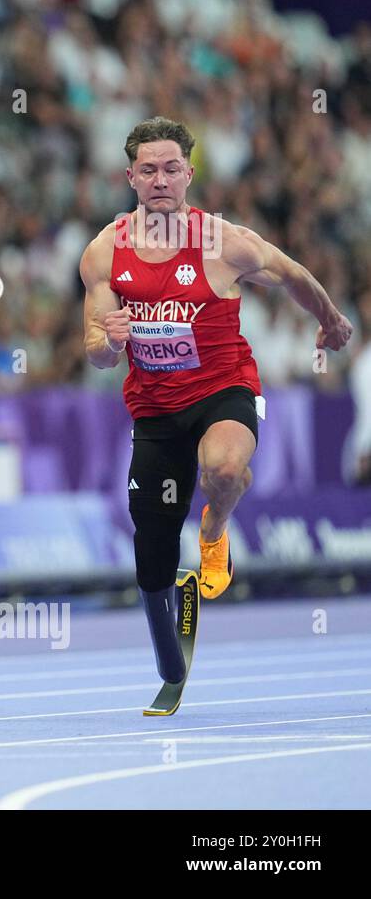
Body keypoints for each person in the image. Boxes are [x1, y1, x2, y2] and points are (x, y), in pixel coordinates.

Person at [79, 116, 352, 700]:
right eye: (148, 169)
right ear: (130, 176)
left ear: (189, 174)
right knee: (151, 557)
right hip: (154, 410)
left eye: (171, 168)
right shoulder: (105, 252)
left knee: (224, 470)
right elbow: (96, 353)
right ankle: (170, 669)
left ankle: (215, 527)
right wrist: (112, 341)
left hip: (224, 388)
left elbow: (292, 274)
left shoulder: (224, 242)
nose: (160, 179)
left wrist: (327, 318)